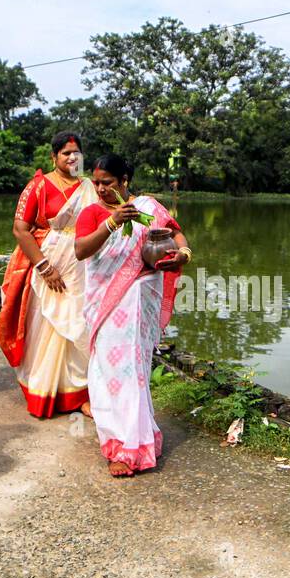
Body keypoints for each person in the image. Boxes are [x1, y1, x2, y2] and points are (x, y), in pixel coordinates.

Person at [75, 155, 189, 476]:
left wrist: (182, 254)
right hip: (108, 306)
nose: (99, 189)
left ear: (124, 180)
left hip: (141, 304)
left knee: (135, 371)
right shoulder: (92, 213)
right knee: (109, 372)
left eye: (107, 183)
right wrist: (111, 223)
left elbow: (176, 236)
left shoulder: (148, 209)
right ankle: (118, 445)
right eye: (96, 182)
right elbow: (81, 250)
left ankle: (137, 443)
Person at [0, 131, 98, 417]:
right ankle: (45, 393)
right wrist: (44, 267)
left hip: (80, 268)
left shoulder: (89, 187)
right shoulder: (38, 186)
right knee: (47, 327)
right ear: (54, 157)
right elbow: (20, 229)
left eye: (76, 152)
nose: (72, 157)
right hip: (48, 266)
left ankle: (80, 395)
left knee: (78, 326)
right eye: (66, 153)